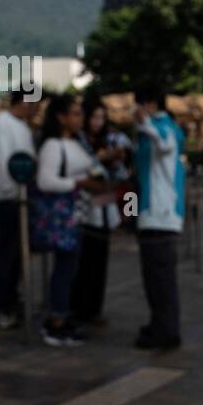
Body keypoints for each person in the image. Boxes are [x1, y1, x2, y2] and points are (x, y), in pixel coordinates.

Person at [35, 94, 104, 346]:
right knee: (65, 269)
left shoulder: (76, 142)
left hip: (76, 213)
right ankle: (56, 321)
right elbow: (45, 180)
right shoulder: (53, 146)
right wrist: (78, 182)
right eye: (74, 113)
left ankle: (62, 315)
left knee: (71, 268)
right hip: (63, 215)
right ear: (60, 118)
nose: (80, 117)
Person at [70, 97, 131, 326]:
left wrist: (115, 161)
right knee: (83, 262)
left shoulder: (108, 139)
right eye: (94, 117)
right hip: (85, 207)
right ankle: (77, 307)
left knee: (99, 261)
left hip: (104, 205)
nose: (98, 122)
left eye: (101, 118)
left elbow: (121, 174)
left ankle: (94, 307)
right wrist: (100, 158)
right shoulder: (78, 140)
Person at [133, 88, 185, 350]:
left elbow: (165, 147)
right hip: (156, 215)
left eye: (138, 106)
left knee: (160, 280)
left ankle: (165, 333)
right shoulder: (164, 127)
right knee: (156, 280)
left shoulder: (162, 128)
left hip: (160, 215)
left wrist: (147, 125)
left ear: (150, 104)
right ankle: (160, 326)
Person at [0, 90, 38, 330]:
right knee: (6, 255)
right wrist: (14, 188)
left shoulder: (22, 127)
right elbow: (1, 161)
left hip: (20, 198)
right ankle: (0, 306)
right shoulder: (1, 125)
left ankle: (11, 300)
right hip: (7, 199)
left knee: (16, 256)